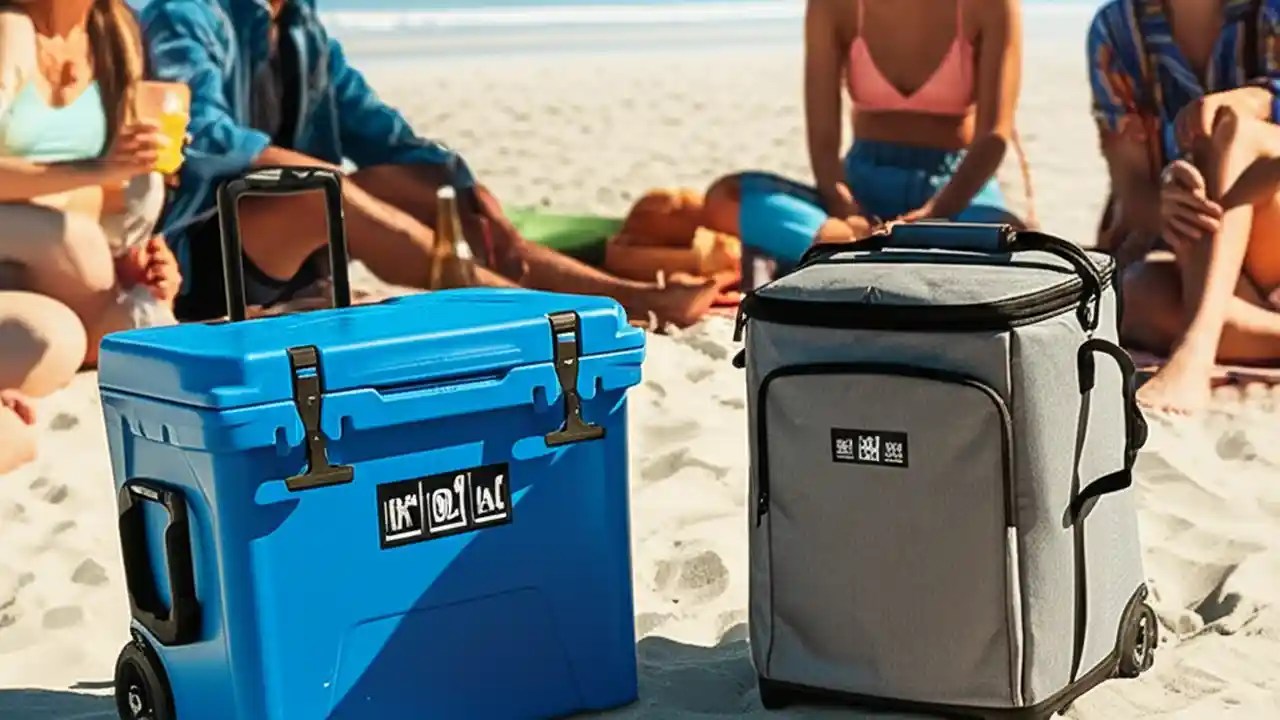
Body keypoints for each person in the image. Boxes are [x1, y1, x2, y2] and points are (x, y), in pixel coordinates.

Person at [140, 0, 719, 328]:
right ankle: (546, 314)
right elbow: (201, 134)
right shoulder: (185, 13)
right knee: (325, 191)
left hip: (298, 248)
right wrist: (322, 175)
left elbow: (380, 131)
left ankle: (621, 297)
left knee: (426, 186)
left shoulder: (300, 27)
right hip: (205, 254)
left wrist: (460, 182)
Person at [700, 0, 1031, 269]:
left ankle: (842, 254)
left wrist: (935, 214)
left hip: (959, 188)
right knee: (727, 197)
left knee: (1013, 235)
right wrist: (846, 209)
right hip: (864, 185)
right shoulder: (833, 6)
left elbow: (994, 135)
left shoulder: (990, 5)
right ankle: (852, 245)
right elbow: (824, 140)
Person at [1089, 0, 1280, 413]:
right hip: (1199, 255)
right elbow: (1131, 188)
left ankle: (1195, 350)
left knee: (1232, 131)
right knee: (1131, 295)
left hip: (1272, 222)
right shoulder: (1118, 29)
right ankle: (1251, 328)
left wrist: (1251, 101)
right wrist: (1169, 203)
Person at [0, 0, 178, 422]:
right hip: (30, 254)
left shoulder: (115, 34)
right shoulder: (11, 29)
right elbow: (102, 174)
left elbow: (125, 182)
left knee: (147, 330)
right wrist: (96, 172)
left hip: (74, 277)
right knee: (54, 328)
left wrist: (148, 258)